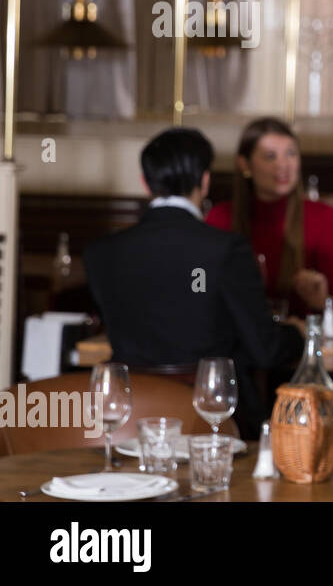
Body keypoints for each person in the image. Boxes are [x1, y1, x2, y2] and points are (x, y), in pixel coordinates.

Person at [84, 128, 303, 438]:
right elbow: (265, 349)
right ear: (204, 180)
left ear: (145, 183)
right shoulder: (227, 249)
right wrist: (299, 333)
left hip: (128, 420)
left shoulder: (100, 254)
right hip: (216, 420)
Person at [206, 117, 333, 320]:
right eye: (270, 156)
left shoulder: (324, 218)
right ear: (245, 164)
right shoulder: (220, 218)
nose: (283, 165)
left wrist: (321, 301)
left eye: (291, 154)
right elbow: (201, 297)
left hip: (300, 344)